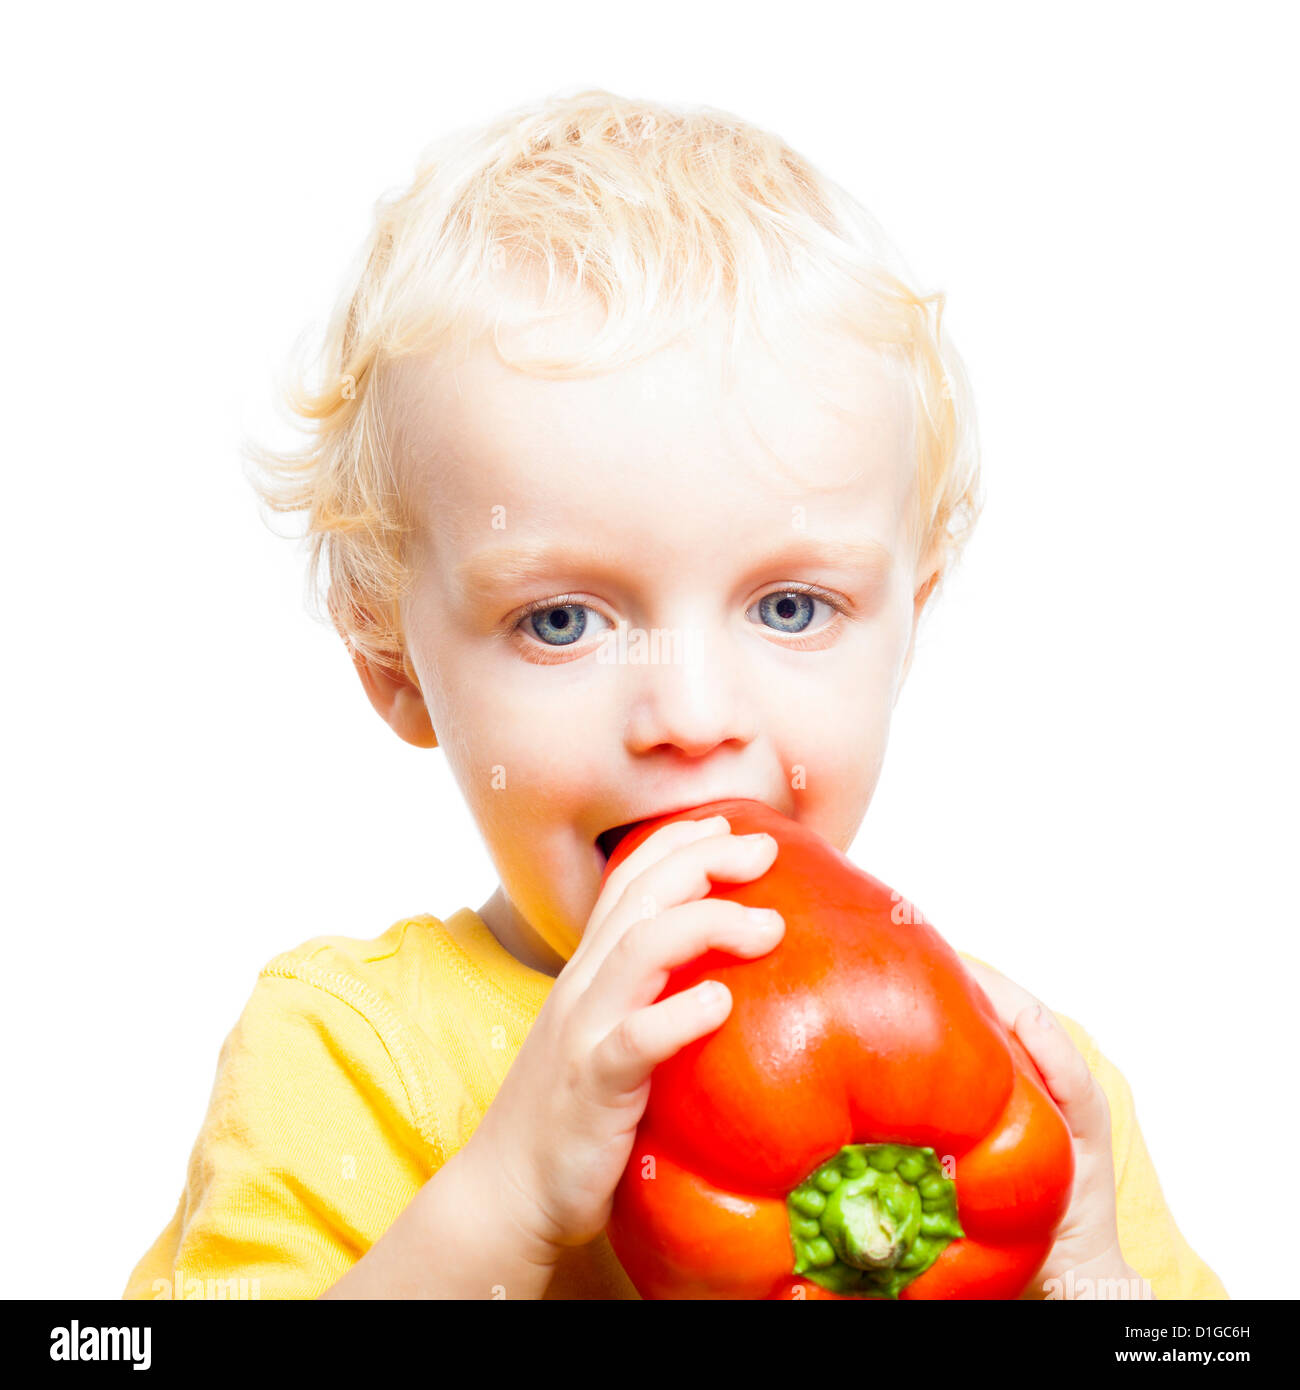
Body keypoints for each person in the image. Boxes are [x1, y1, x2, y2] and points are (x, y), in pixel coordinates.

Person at [124, 89, 1225, 1301]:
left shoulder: (1029, 1086)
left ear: (909, 618)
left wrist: (1091, 1277)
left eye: (790, 606)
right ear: (392, 660)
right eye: (561, 620)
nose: (693, 715)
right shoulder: (347, 1051)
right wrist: (498, 1204)